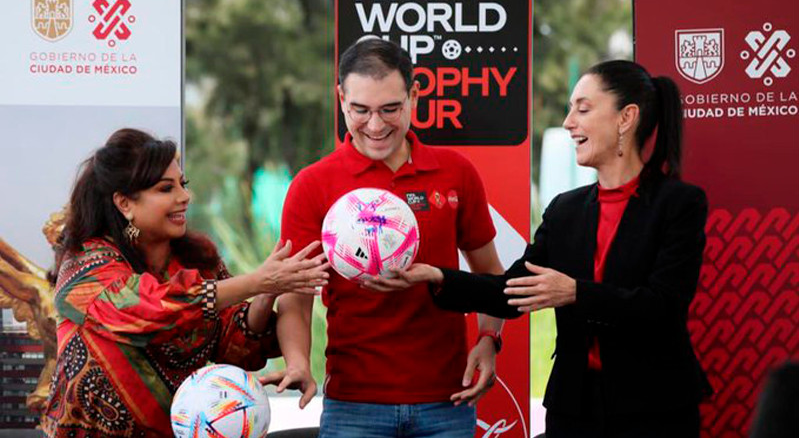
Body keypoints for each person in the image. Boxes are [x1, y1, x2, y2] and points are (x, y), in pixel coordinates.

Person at [369, 60, 713, 438]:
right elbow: (508, 292)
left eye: (582, 109)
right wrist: (435, 276)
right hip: (573, 408)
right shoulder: (565, 209)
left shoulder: (680, 203)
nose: (568, 122)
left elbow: (662, 306)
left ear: (626, 117)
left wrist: (575, 293)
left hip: (656, 407)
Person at [267, 38, 505, 437]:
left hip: (447, 402)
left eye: (390, 109)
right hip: (353, 406)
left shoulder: (455, 173)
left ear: (413, 95)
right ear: (341, 98)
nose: (375, 126)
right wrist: (297, 362)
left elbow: (491, 276)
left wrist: (488, 338)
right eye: (360, 110)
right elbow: (295, 294)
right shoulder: (313, 184)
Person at [41, 128, 330, 437]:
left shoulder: (198, 258)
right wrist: (258, 282)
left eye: (183, 184)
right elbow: (146, 309)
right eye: (166, 189)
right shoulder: (84, 264)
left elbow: (234, 347)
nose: (184, 197)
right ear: (125, 203)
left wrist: (267, 291)